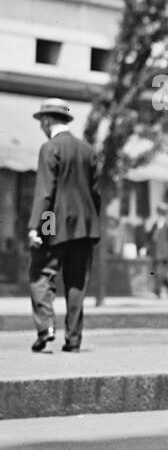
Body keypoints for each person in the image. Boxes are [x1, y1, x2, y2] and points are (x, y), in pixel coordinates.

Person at [27, 99, 100, 352]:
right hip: (84, 228)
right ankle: (74, 339)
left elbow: (46, 192)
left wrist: (36, 227)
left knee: (41, 272)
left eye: (41, 123)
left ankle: (46, 326)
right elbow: (96, 193)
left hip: (53, 222)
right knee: (77, 281)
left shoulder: (50, 148)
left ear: (47, 121)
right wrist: (91, 226)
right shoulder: (88, 150)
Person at [146, 203, 168, 298]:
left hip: (164, 253)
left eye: (162, 211)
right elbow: (150, 237)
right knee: (154, 272)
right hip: (155, 252)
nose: (160, 213)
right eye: (159, 211)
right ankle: (167, 287)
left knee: (160, 273)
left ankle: (160, 290)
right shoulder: (155, 224)